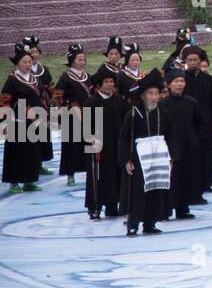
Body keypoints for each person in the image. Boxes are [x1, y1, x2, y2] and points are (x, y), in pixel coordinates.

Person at [118, 70, 172, 236]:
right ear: (143, 96)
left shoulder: (164, 113)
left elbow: (171, 136)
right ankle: (133, 224)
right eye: (150, 94)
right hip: (139, 159)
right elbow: (124, 139)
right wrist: (126, 160)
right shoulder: (134, 114)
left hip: (158, 158)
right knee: (138, 193)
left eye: (156, 94)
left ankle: (150, 223)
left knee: (156, 190)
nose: (154, 97)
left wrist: (171, 157)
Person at [158, 69, 204, 220]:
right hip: (169, 147)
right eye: (176, 82)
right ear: (168, 85)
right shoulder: (163, 104)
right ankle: (165, 210)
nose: (179, 84)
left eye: (182, 81)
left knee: (186, 177)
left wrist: (196, 141)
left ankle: (183, 208)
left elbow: (200, 124)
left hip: (189, 146)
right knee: (171, 179)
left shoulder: (191, 102)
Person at [2, 45, 46, 193]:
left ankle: (29, 180)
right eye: (24, 62)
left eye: (29, 62)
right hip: (18, 122)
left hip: (34, 121)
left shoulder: (34, 79)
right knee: (17, 152)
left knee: (32, 151)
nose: (27, 65)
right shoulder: (12, 80)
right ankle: (14, 182)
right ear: (17, 64)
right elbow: (4, 102)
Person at [83, 68, 125, 219]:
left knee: (115, 175)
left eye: (111, 82)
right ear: (99, 85)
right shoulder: (91, 102)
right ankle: (94, 207)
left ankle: (112, 205)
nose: (109, 85)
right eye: (106, 82)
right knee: (96, 177)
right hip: (97, 146)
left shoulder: (119, 100)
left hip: (115, 145)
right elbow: (86, 127)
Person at [53, 44, 92, 185]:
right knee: (72, 146)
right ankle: (70, 174)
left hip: (88, 116)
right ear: (72, 60)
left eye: (83, 59)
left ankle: (90, 171)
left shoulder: (88, 76)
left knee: (88, 145)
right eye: (79, 59)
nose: (82, 62)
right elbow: (57, 98)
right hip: (72, 117)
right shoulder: (65, 77)